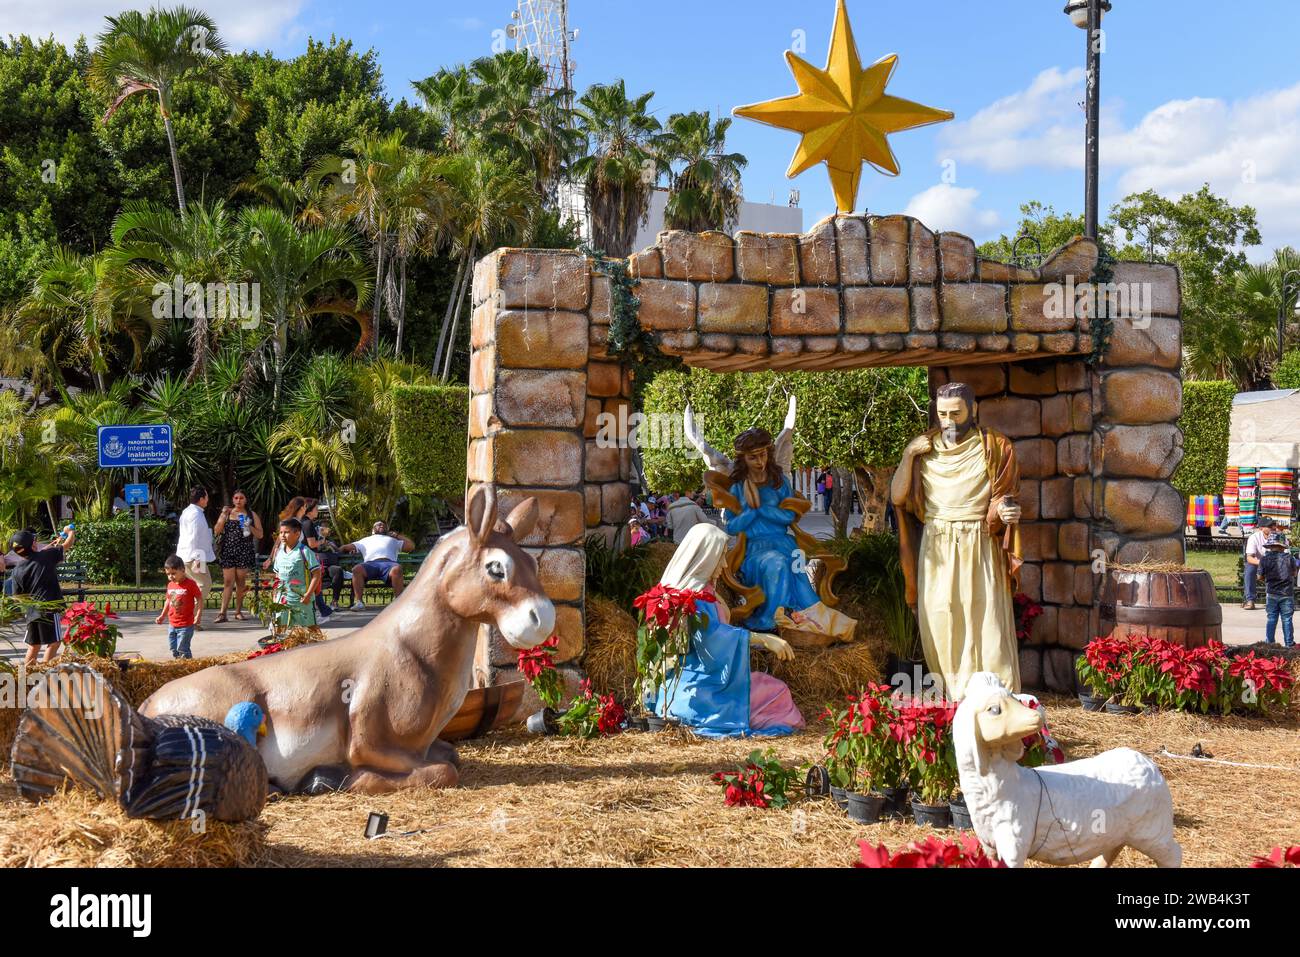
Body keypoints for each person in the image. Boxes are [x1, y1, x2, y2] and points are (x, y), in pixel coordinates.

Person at [892, 381, 1022, 699]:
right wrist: (909, 455)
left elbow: (1005, 498)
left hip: (980, 545)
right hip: (936, 548)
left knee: (986, 623)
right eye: (942, 414)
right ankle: (954, 700)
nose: (948, 421)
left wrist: (1005, 511)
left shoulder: (995, 446)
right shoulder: (923, 449)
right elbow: (897, 496)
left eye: (955, 413)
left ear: (973, 410)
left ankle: (997, 703)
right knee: (940, 621)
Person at [645, 524, 804, 737]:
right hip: (700, 690)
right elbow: (712, 638)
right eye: (721, 556)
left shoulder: (694, 593)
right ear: (706, 558)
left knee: (769, 686)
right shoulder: (692, 599)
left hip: (697, 682)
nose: (726, 563)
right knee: (777, 692)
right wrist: (764, 639)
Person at [8, 526, 75, 667]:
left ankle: (26, 676)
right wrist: (70, 532)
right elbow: (68, 544)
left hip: (32, 612)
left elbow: (17, 597)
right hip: (49, 609)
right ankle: (44, 672)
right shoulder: (46, 556)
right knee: (54, 643)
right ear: (33, 544)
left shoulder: (17, 570)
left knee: (34, 645)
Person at [340, 521, 414, 610]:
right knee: (357, 569)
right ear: (372, 530)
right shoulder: (365, 540)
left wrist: (397, 536)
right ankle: (359, 602)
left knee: (397, 569)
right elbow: (345, 547)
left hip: (389, 564)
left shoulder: (393, 539)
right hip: (370, 564)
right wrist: (336, 550)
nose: (381, 525)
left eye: (383, 525)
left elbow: (411, 546)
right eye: (378, 524)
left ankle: (399, 602)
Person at [213, 489, 262, 623]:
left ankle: (238, 611)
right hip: (228, 551)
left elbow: (260, 534)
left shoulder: (252, 514)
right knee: (228, 582)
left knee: (241, 583)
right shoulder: (228, 513)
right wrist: (223, 514)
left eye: (241, 498)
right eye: (236, 498)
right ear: (233, 500)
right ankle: (222, 613)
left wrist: (248, 525)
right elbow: (217, 530)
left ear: (246, 500)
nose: (238, 500)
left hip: (244, 551)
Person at [271, 518, 322, 631]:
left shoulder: (304, 551)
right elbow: (277, 577)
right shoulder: (279, 553)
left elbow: (316, 574)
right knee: (280, 629)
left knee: (311, 628)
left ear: (297, 534)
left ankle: (320, 647)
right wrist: (275, 596)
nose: (283, 535)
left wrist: (308, 594)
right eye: (281, 532)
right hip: (283, 600)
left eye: (287, 532)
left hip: (303, 600)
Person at [176, 486, 214, 630]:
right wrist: (197, 558)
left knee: (195, 586)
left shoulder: (189, 511)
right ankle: (189, 618)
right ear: (201, 499)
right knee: (204, 584)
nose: (208, 499)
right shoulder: (196, 514)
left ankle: (187, 617)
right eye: (207, 496)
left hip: (188, 555)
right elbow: (193, 537)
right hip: (195, 556)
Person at [155, 554, 203, 659]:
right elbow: (168, 600)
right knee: (173, 648)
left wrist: (198, 615)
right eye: (168, 574)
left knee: (183, 649)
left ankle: (188, 666)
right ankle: (178, 664)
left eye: (173, 573)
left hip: (186, 625)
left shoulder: (190, 584)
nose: (170, 576)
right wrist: (162, 615)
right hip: (172, 624)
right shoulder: (170, 585)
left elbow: (199, 599)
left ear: (183, 570)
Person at [1260, 532, 1298, 647]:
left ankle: (1270, 643)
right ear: (1282, 546)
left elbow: (1259, 576)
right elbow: (1294, 574)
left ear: (1270, 546)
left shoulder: (1264, 559)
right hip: (1287, 593)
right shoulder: (1290, 558)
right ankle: (1289, 644)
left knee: (1271, 618)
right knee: (1287, 619)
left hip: (1271, 593)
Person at [314, 522, 347, 609]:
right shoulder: (314, 539)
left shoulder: (331, 540)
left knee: (338, 570)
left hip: (330, 566)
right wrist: (321, 543)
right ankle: (316, 602)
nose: (326, 529)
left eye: (327, 527)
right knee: (315, 571)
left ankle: (334, 601)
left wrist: (331, 545)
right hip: (317, 566)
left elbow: (338, 551)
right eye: (323, 528)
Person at [1243, 521, 1274, 611]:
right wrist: (1262, 562)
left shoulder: (1279, 536)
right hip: (1259, 563)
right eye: (1268, 526)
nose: (1271, 528)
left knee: (1284, 568)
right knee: (1250, 569)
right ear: (1261, 528)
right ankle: (1250, 600)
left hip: (1275, 563)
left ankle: (1277, 601)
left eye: (1272, 525)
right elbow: (1249, 558)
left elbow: (1286, 555)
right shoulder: (1254, 537)